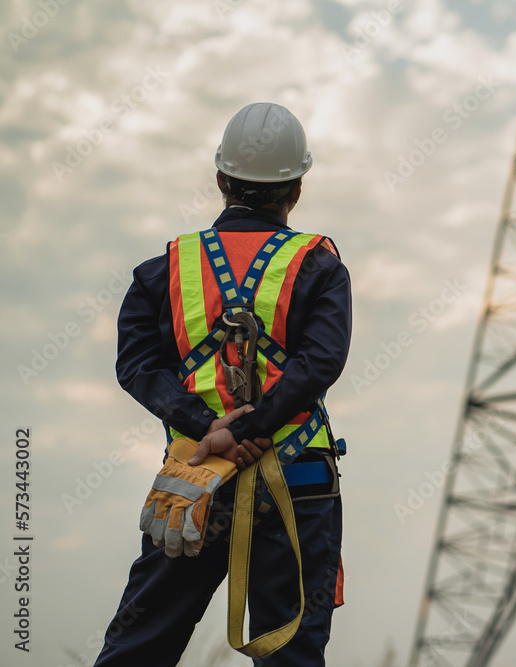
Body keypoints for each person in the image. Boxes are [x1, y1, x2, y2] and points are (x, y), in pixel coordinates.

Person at [94, 102, 352, 666]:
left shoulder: (162, 269)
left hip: (195, 482)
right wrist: (255, 429)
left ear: (220, 178)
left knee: (140, 646)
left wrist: (207, 430)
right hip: (298, 481)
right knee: (291, 654)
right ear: (297, 188)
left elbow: (136, 366)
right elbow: (320, 362)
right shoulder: (319, 265)